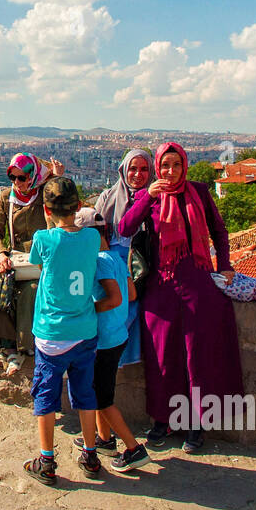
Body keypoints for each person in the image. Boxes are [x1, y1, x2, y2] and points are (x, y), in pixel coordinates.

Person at [117, 142, 242, 454]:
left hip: (196, 283)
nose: (171, 172)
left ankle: (196, 425)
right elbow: (125, 226)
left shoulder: (198, 192)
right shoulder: (152, 195)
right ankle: (163, 420)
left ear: (184, 165)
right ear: (158, 168)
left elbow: (219, 231)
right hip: (161, 286)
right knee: (162, 356)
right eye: (165, 166)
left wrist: (225, 266)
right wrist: (148, 196)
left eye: (176, 165)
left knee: (197, 357)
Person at [22, 177, 104, 485]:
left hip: (51, 332)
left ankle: (46, 460)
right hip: (84, 330)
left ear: (45, 209)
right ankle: (91, 454)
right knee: (85, 393)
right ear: (78, 206)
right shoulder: (92, 239)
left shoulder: (43, 239)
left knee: (45, 395)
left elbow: (37, 265)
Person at [70, 207, 150, 472]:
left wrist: (85, 311)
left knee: (102, 399)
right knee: (98, 391)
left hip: (102, 340)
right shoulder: (116, 257)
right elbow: (131, 295)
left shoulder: (99, 262)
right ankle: (103, 439)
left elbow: (115, 298)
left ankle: (133, 449)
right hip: (118, 336)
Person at [0, 152, 64, 377]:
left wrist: (56, 179)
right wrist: (0, 255)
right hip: (15, 260)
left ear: (34, 175)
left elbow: (63, 209)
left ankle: (21, 348)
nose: (17, 183)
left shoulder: (45, 194)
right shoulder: (6, 198)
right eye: (13, 178)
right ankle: (4, 346)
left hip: (41, 263)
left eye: (21, 177)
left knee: (31, 292)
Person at [94, 148, 152, 366]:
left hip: (142, 261)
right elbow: (94, 230)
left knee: (134, 306)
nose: (138, 175)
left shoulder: (155, 198)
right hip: (112, 260)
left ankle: (122, 358)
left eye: (144, 169)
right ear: (124, 170)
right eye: (133, 169)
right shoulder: (108, 197)